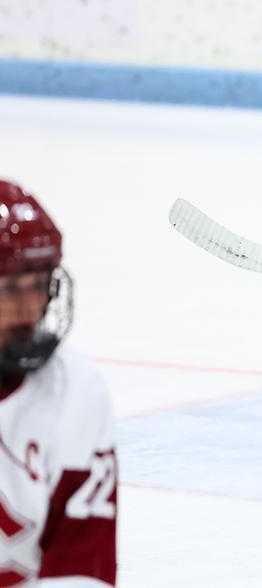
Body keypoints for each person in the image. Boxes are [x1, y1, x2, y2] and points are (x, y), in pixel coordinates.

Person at [0, 180, 118, 585]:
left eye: (39, 285)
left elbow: (79, 567)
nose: (30, 308)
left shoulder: (75, 393)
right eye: (10, 289)